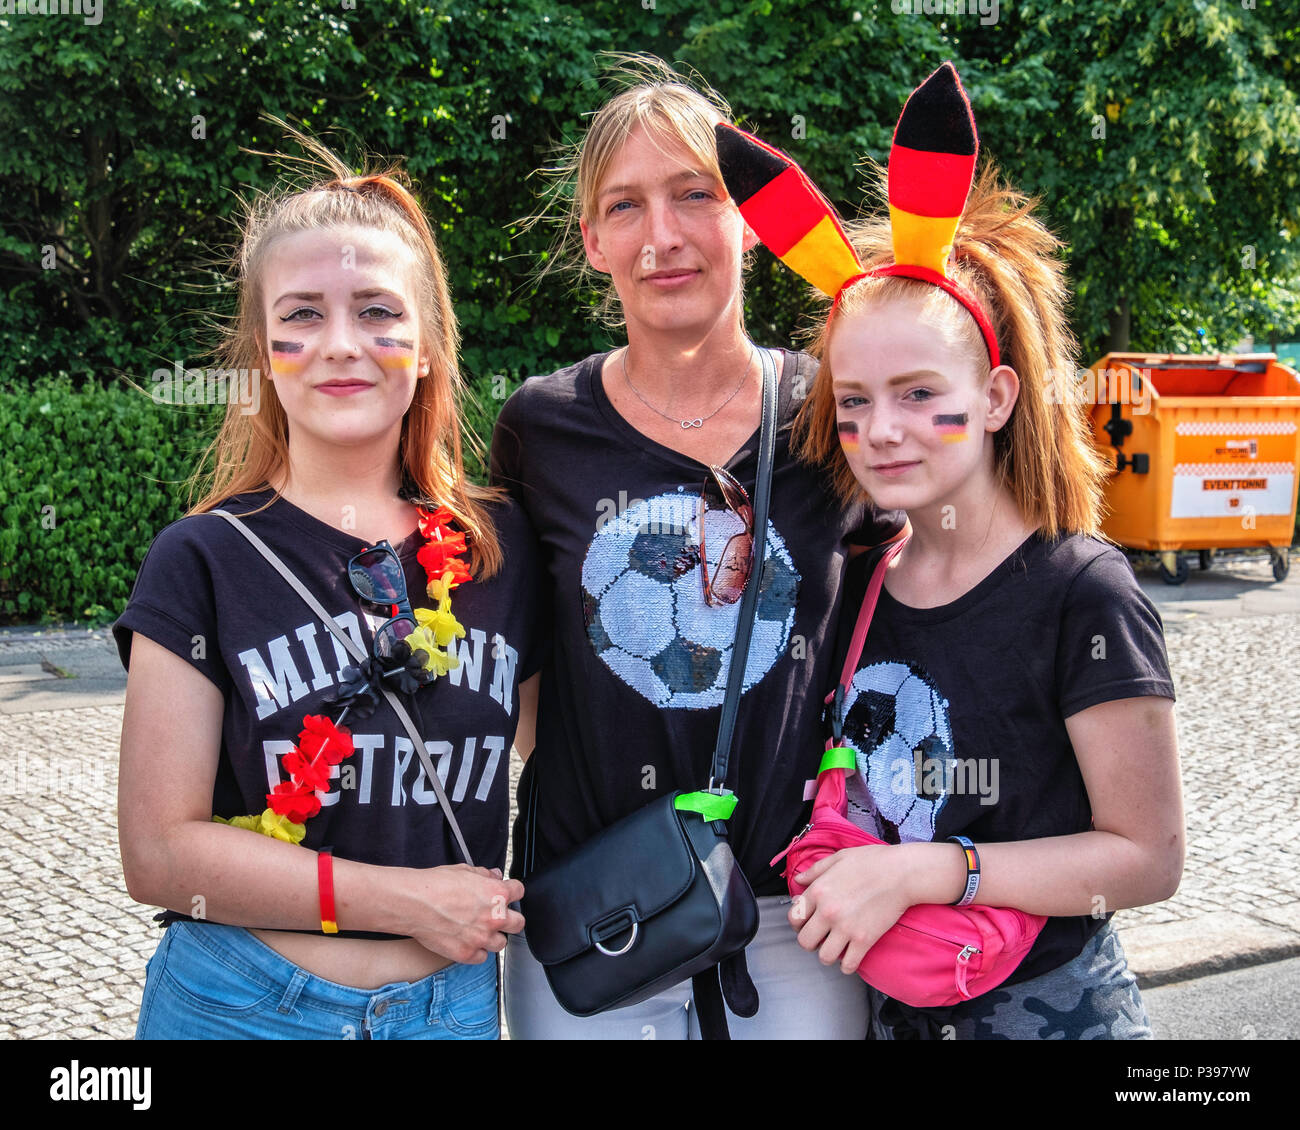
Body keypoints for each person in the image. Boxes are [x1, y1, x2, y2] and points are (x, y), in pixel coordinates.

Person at [739, 63, 1183, 1039]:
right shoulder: (858, 582)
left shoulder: (1081, 588)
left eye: (916, 392)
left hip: (1050, 1015)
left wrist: (930, 870)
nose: (880, 427)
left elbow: (1146, 856)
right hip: (896, 1015)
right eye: (852, 400)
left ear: (994, 398)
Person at [489, 56, 904, 1039]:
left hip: (799, 914)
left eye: (694, 195)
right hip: (601, 908)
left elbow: (914, 615)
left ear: (750, 221)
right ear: (592, 239)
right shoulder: (540, 428)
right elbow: (520, 664)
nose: (662, 235)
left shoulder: (831, 409)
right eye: (625, 207)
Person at [114, 135, 541, 1040]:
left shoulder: (499, 554)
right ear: (264, 352)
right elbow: (157, 856)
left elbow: (572, 761)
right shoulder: (201, 559)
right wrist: (407, 902)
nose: (341, 344)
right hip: (243, 1005)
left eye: (378, 312)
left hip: (449, 1013)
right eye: (301, 315)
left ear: (424, 349)